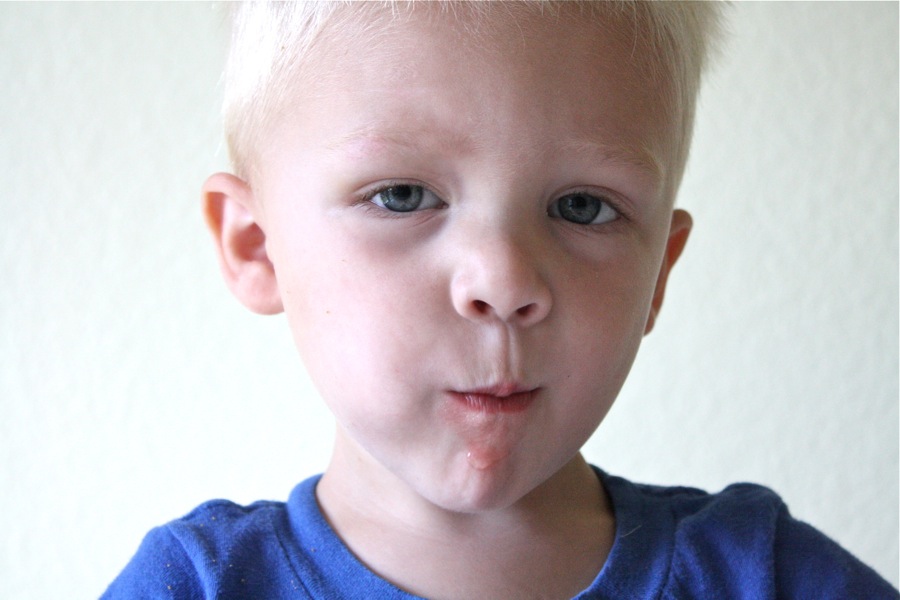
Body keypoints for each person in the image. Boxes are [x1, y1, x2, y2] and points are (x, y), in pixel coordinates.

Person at [102, 2, 899, 598]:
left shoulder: (773, 580)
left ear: (659, 271)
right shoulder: (195, 587)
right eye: (404, 194)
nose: (505, 281)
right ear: (255, 244)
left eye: (582, 207)